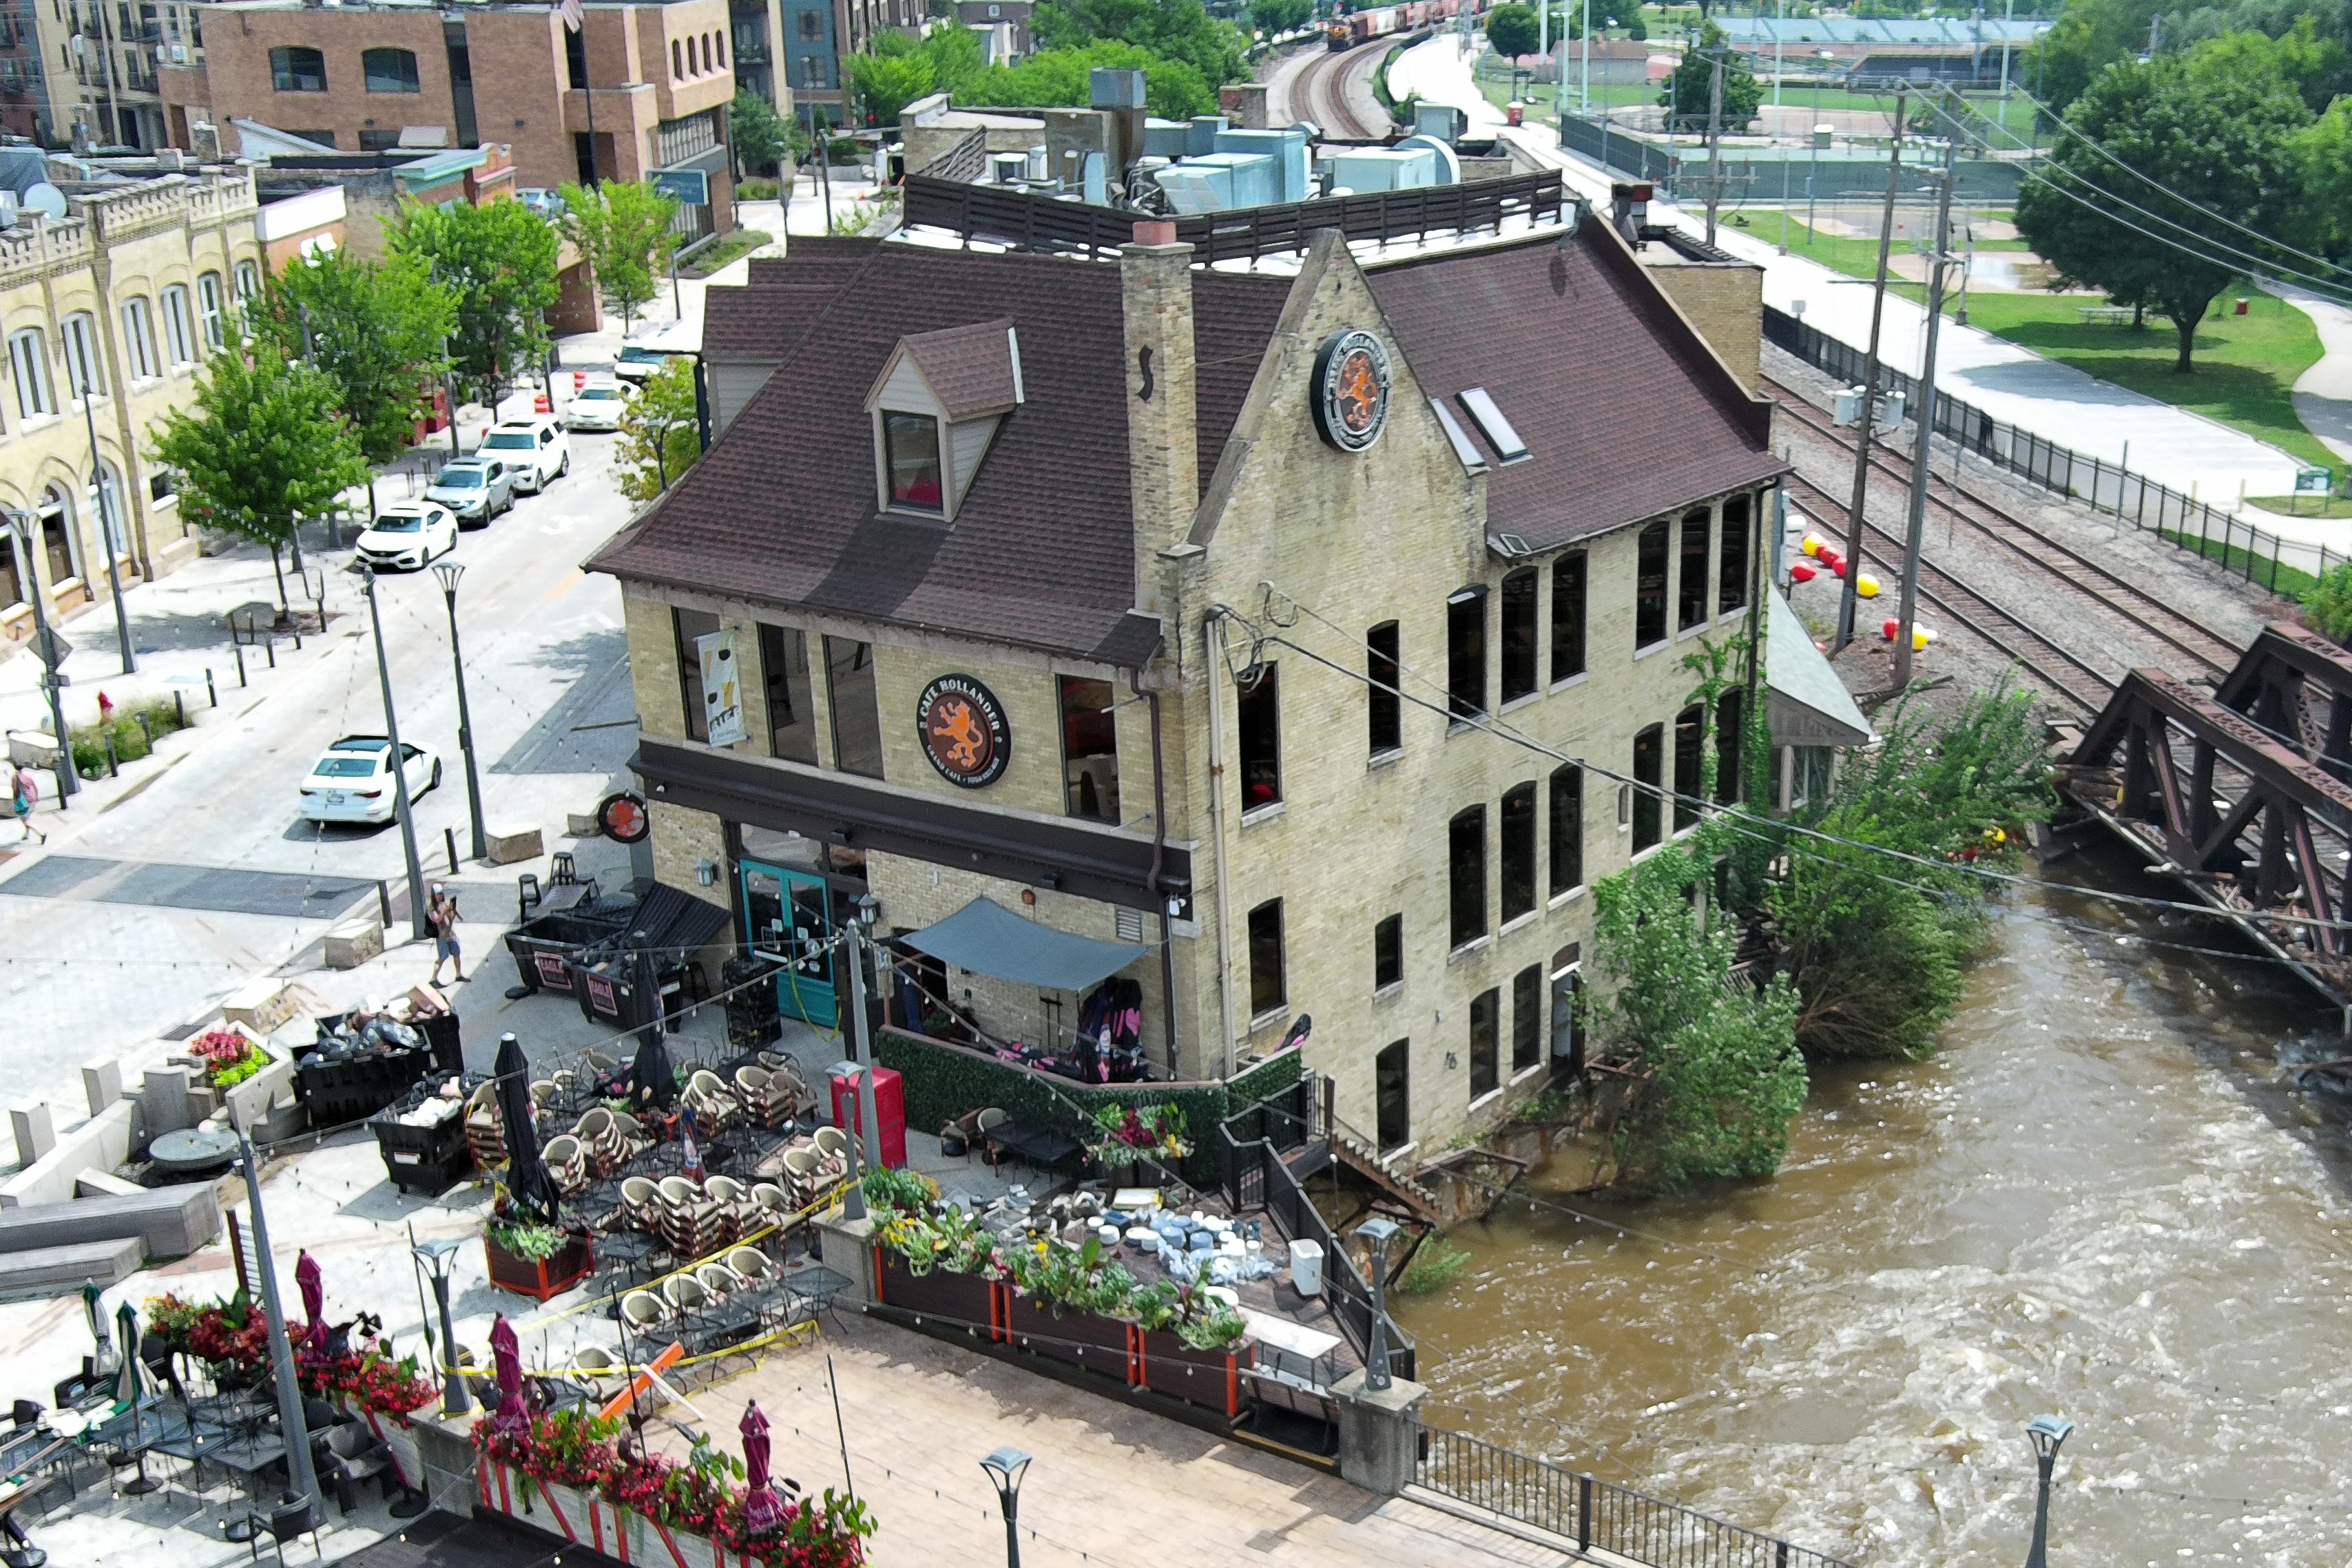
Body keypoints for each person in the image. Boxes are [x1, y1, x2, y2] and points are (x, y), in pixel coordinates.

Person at [428, 884, 464, 984]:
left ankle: (459, 974)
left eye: (441, 893)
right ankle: (434, 978)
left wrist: (453, 910)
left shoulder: (445, 904)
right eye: (437, 894)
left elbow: (451, 918)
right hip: (441, 937)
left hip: (451, 934)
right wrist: (445, 910)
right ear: (433, 895)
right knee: (442, 957)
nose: (440, 896)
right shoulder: (432, 908)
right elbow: (437, 920)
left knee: (456, 953)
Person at [11, 762, 43, 844]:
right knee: (27, 818)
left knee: (25, 820)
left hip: (24, 801)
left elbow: (15, 790)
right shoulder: (27, 776)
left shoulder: (15, 777)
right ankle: (26, 835)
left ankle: (41, 834)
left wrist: (15, 801)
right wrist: (36, 797)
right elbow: (34, 786)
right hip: (33, 799)